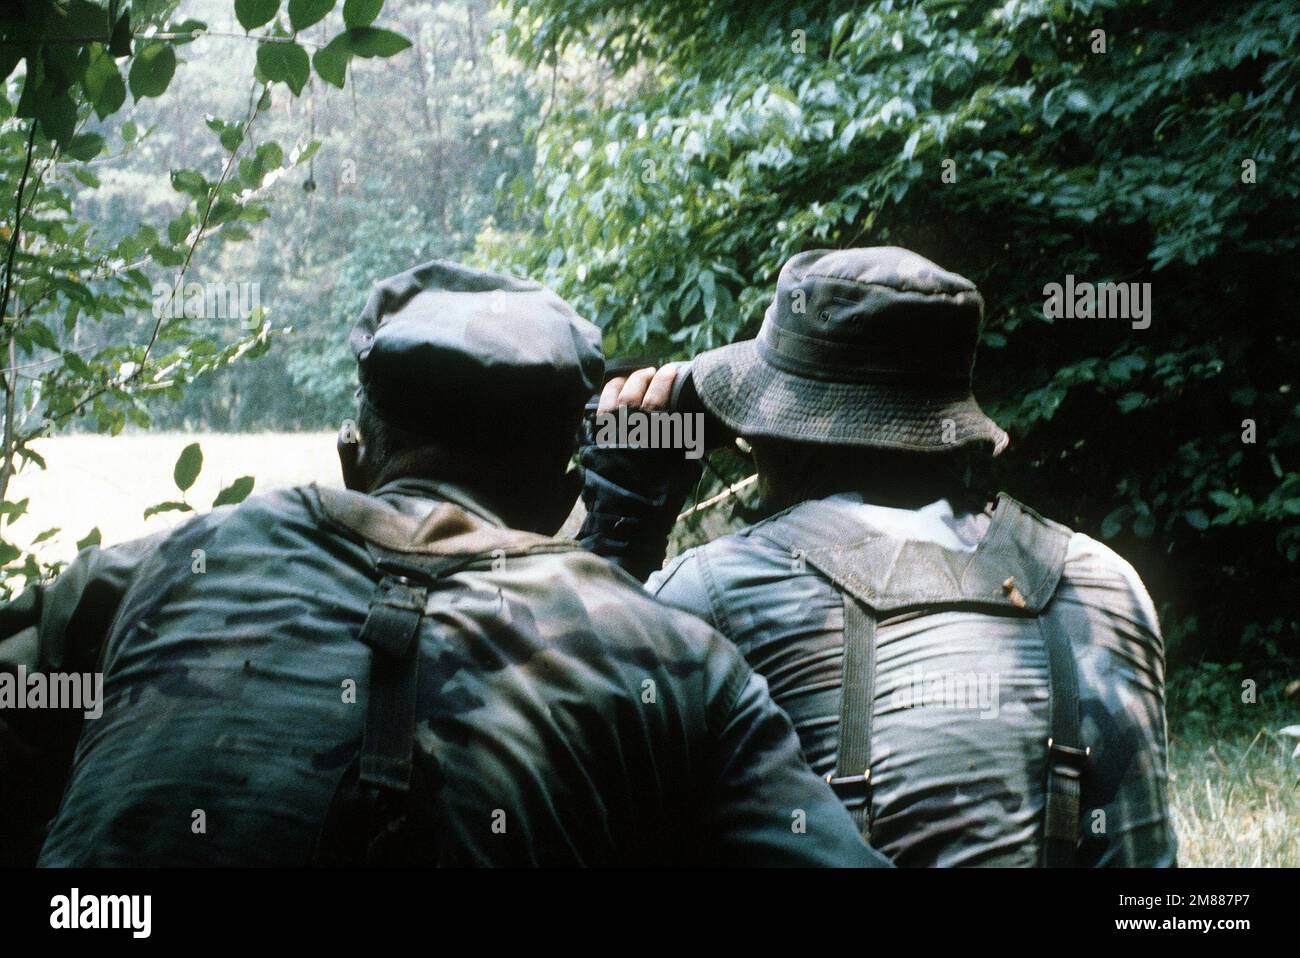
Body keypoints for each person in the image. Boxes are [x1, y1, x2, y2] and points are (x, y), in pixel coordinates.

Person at [1, 260, 888, 867]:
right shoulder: (673, 665)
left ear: (353, 461)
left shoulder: (158, 569)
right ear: (559, 496)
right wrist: (619, 537)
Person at [580, 246, 1178, 867]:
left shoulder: (717, 592)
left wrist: (621, 528)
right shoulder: (1101, 580)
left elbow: (568, 775)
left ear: (781, 431)